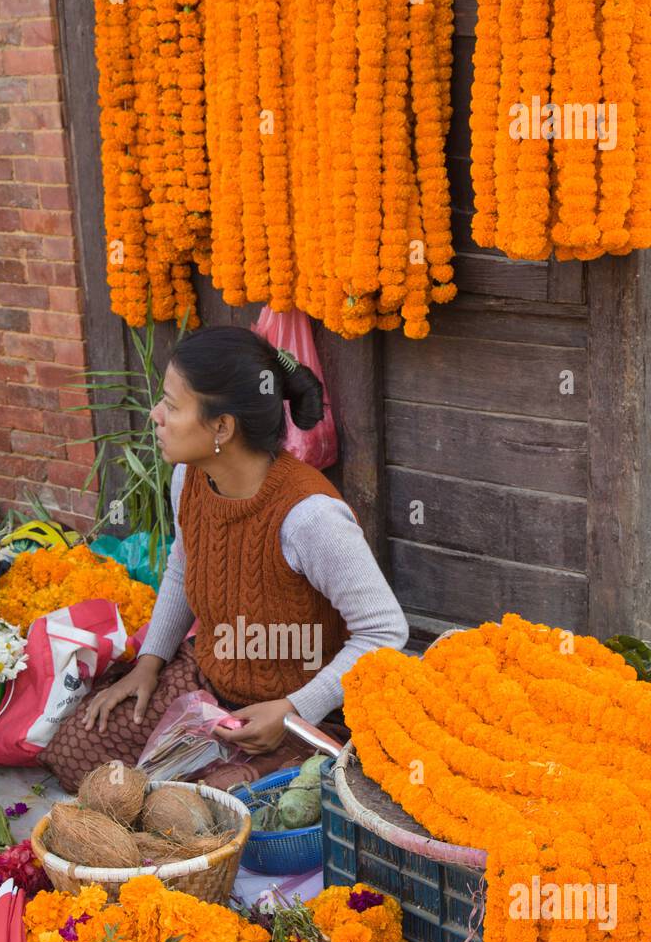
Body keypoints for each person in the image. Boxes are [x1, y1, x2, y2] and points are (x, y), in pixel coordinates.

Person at [40, 325, 409, 792]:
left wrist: (294, 708)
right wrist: (149, 664)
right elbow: (183, 564)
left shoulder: (309, 517)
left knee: (210, 810)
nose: (156, 415)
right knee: (80, 751)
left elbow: (385, 632)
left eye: (172, 407)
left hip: (299, 715)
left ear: (222, 427)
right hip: (209, 683)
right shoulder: (188, 479)